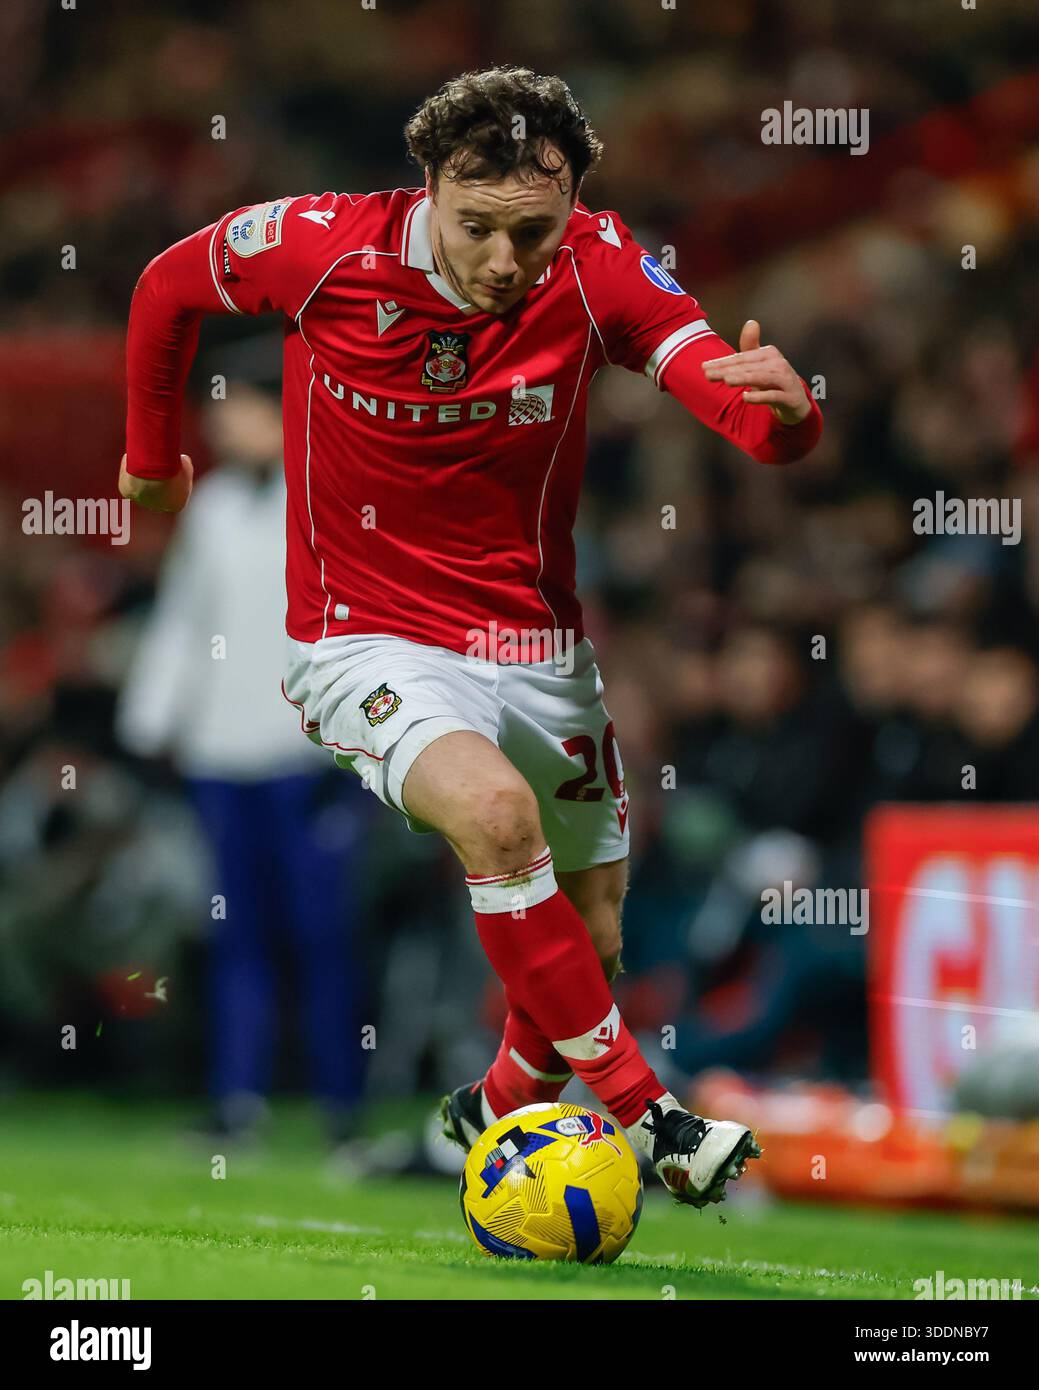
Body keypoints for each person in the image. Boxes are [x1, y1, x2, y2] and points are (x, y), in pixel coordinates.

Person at [118, 65, 823, 1210]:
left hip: (537, 649)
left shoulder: (599, 269)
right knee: (494, 820)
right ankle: (651, 1115)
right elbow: (163, 286)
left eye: (531, 233)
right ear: (429, 188)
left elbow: (734, 404)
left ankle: (491, 1113)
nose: (505, 261)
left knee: (589, 942)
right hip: (365, 639)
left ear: (573, 208)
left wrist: (790, 423)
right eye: (478, 228)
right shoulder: (320, 248)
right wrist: (151, 455)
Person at [117, 366, 368, 1145]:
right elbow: (184, 620)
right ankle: (238, 1101)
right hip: (222, 752)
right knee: (237, 933)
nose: (225, 429)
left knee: (325, 933)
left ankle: (341, 1107)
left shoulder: (330, 495)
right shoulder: (215, 508)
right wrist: (150, 721)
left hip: (309, 757)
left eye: (241, 411)